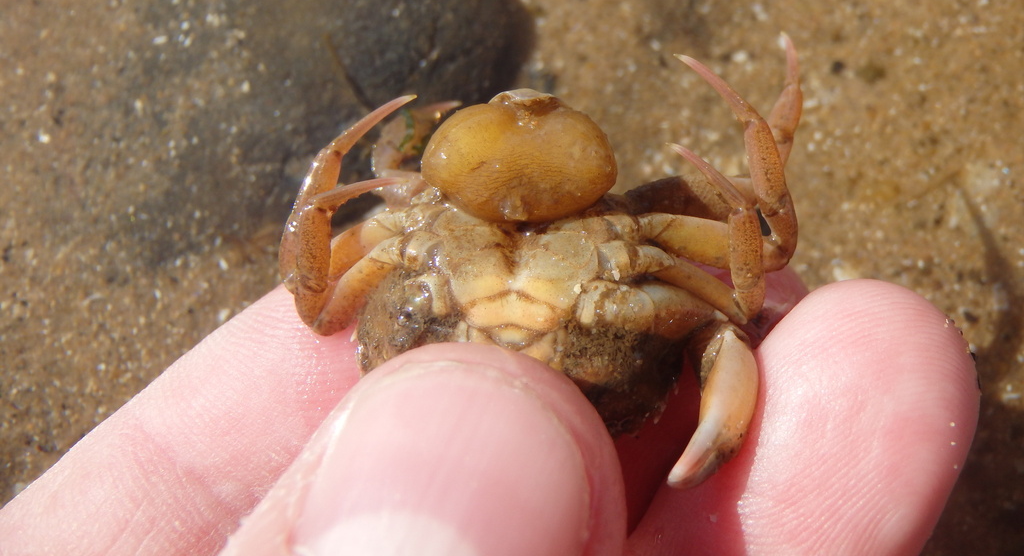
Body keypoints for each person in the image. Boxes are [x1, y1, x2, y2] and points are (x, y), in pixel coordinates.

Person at [0, 275, 978, 555]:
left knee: (733, 301)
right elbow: (319, 302)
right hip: (454, 310)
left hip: (614, 338)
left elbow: (747, 263)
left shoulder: (646, 242)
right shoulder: (416, 232)